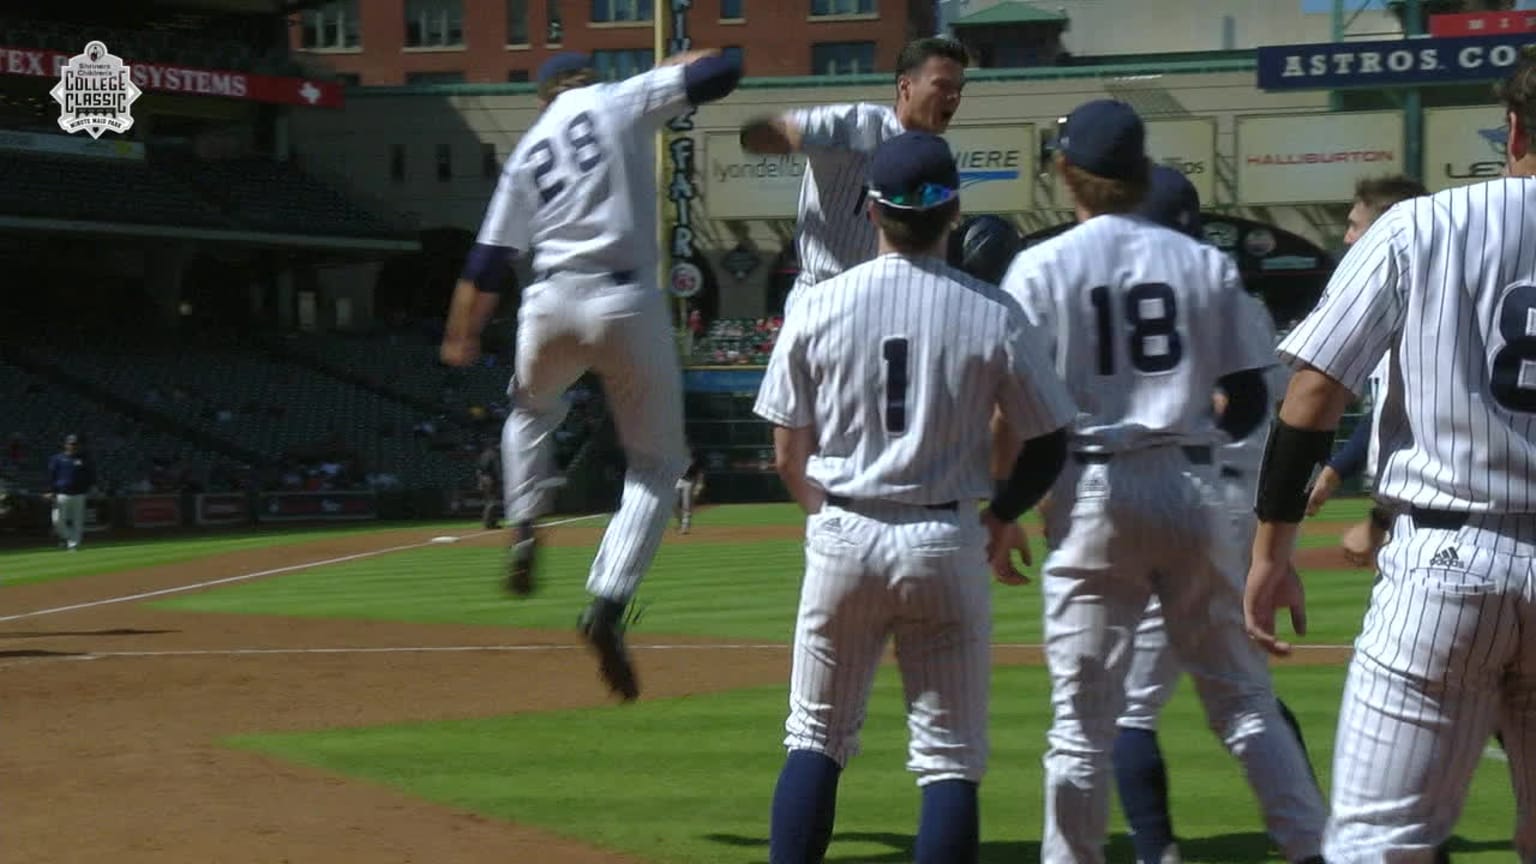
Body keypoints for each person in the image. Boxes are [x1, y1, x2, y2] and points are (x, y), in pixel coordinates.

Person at [999, 100, 1327, 864]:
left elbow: (1021, 409)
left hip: (1092, 489)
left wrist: (1006, 503)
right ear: (1142, 172)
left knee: (1081, 727)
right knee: (1243, 702)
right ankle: (1314, 850)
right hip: (1189, 484)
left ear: (1065, 171)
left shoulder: (1041, 266)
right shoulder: (1204, 264)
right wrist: (1183, 422)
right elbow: (1249, 400)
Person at [754, 131, 1077, 864]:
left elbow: (786, 454)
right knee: (948, 757)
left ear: (872, 211)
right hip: (944, 539)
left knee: (816, 736)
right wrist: (1003, 515)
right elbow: (1050, 439)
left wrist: (829, 522)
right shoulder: (995, 311)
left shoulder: (818, 305)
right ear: (953, 212)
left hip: (845, 530)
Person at [1245, 49, 1536, 862]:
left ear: (1513, 129)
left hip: (1445, 564)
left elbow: (1313, 393)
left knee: (1378, 843)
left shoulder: (1419, 225)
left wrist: (1271, 552)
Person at [439, 48, 743, 702]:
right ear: (587, 80)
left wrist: (461, 331)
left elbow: (487, 263)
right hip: (625, 301)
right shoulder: (619, 99)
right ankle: (607, 601)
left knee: (530, 411)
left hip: (548, 301)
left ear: (544, 95)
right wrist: (684, 60)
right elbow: (725, 69)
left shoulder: (527, 151)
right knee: (657, 467)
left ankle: (524, 526)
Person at [1104, 166, 1319, 864]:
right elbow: (1271, 411)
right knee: (1248, 693)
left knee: (1128, 708)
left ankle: (1156, 850)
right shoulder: (1239, 300)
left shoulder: (1117, 296)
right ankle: (1316, 840)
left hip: (1165, 498)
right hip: (1236, 508)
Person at [739, 37, 969, 313]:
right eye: (942, 85)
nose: (953, 97)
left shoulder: (936, 158)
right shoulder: (859, 124)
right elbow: (776, 133)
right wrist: (775, 134)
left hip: (892, 302)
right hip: (826, 298)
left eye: (958, 89)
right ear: (905, 86)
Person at [1303, 175, 1429, 567]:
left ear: (1387, 233)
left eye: (1355, 226)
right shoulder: (1410, 308)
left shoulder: (1426, 320)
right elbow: (1388, 413)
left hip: (1438, 522)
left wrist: (1379, 520)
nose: (1347, 238)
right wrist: (1335, 472)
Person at [48, 434, 95, 551]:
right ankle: (67, 538)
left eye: (75, 444)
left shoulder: (84, 459)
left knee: (77, 521)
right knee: (57, 520)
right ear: (66, 445)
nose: (73, 446)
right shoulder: (57, 459)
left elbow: (90, 475)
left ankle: (73, 545)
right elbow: (51, 475)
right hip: (62, 494)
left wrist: (91, 488)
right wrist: (50, 490)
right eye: (71, 444)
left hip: (79, 494)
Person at [674, 450, 702, 535]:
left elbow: (700, 474)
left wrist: (698, 486)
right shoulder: (679, 460)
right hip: (679, 481)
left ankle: (685, 527)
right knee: (672, 503)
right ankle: (681, 522)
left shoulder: (695, 463)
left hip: (689, 482)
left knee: (686, 505)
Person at [475, 439, 502, 529]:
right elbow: (496, 469)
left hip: (483, 479)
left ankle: (492, 523)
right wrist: (499, 479)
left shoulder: (483, 455)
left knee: (489, 502)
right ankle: (487, 523)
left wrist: (480, 482)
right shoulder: (493, 454)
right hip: (490, 479)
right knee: (491, 502)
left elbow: (478, 470)